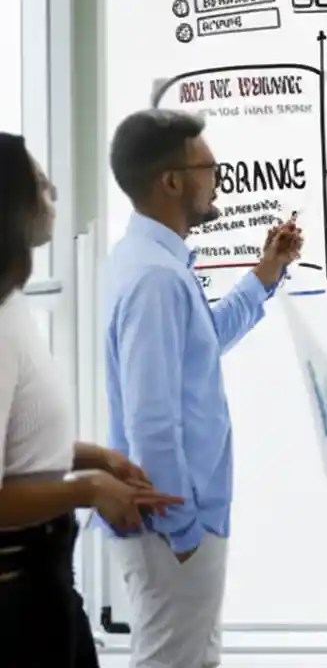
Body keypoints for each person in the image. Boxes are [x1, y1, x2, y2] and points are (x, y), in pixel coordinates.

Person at [101, 109, 302, 668]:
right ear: (171, 181)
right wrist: (183, 530)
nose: (218, 178)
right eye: (208, 166)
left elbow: (203, 341)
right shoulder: (156, 278)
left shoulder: (150, 263)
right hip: (174, 529)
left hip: (179, 525)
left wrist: (266, 274)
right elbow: (151, 421)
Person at [0, 133, 181, 667]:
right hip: (15, 592)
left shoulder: (13, 304)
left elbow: (21, 449)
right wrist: (89, 488)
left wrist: (96, 458)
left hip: (48, 574)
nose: (52, 190)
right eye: (38, 184)